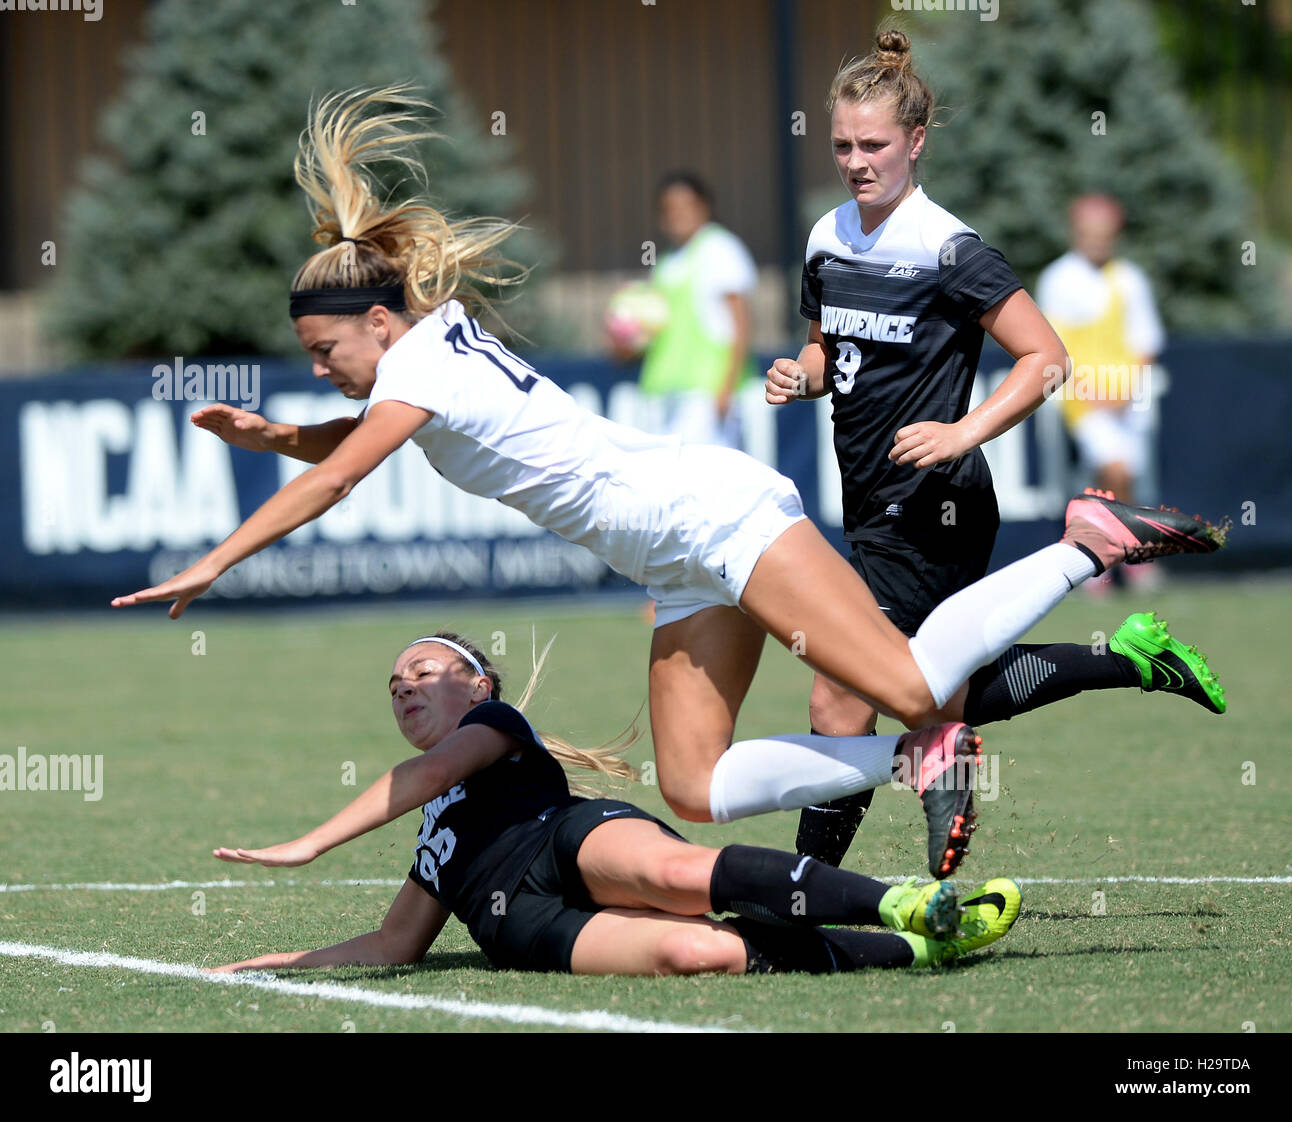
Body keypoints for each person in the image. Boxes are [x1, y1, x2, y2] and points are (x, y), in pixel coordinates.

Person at [111, 84, 1226, 882]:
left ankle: (1085, 541)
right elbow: (356, 441)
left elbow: (343, 478)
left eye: (325, 350)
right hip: (672, 552)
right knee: (692, 788)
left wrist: (210, 561)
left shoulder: (411, 367)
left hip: (712, 512)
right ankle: (907, 759)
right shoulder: (419, 356)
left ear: (378, 321)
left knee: (903, 674)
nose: (322, 369)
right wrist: (280, 436)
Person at [764, 31, 1222, 870]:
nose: (857, 162)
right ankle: (1121, 656)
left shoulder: (949, 248)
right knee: (937, 687)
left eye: (874, 145)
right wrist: (803, 373)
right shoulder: (826, 237)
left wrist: (961, 431)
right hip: (866, 502)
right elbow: (830, 350)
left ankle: (806, 892)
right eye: (841, 145)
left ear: (916, 141)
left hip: (935, 503)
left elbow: (1049, 358)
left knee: (842, 692)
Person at [208, 633, 1023, 976]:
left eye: (423, 673)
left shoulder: (496, 725)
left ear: (478, 685)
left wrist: (308, 844)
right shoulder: (434, 839)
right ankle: (920, 953)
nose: (405, 689)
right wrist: (292, 964)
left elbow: (422, 775)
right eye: (394, 687)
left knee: (673, 870)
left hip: (557, 839)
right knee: (695, 957)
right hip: (519, 928)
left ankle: (905, 901)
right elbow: (395, 944)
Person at [1037, 194, 1165, 592]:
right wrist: (1093, 394)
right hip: (1082, 399)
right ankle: (1122, 553)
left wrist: (1125, 393)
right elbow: (1054, 346)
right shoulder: (1058, 279)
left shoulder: (1130, 279)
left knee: (1127, 476)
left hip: (1129, 401)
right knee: (1117, 469)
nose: (1097, 241)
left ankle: (1107, 556)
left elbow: (1145, 343)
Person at [634, 172, 758, 448]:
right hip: (666, 391)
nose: (677, 215)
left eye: (686, 206)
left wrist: (726, 387)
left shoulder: (721, 249)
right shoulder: (665, 262)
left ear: (704, 207)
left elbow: (741, 323)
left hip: (706, 392)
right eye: (669, 209)